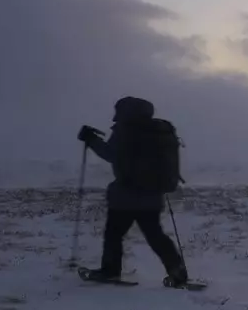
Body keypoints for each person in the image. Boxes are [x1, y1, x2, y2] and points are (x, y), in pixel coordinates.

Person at [77, 96, 189, 287]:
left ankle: (110, 271)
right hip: (152, 195)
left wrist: (91, 139)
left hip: (125, 196)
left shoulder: (125, 130)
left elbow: (110, 154)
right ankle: (177, 271)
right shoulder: (159, 130)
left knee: (114, 234)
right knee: (155, 235)